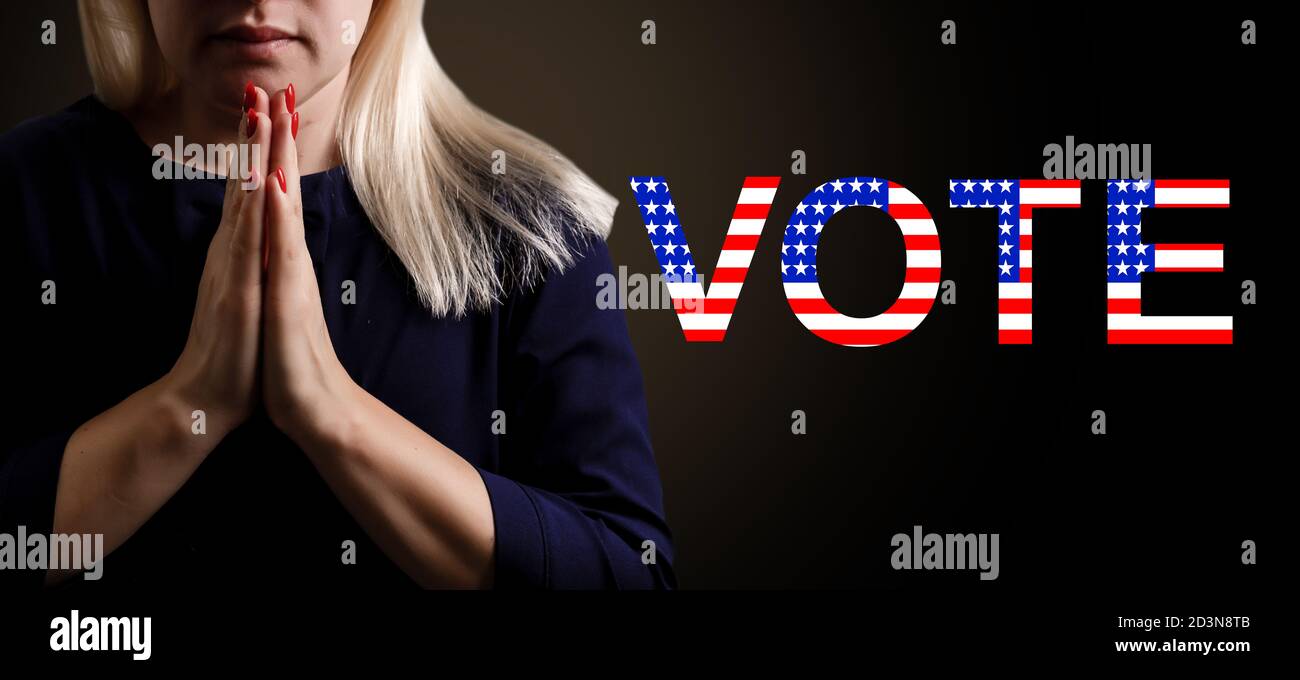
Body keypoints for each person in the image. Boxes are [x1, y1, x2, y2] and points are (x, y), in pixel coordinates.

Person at [0, 0, 675, 589]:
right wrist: (189, 406)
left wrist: (332, 411)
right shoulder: (20, 195)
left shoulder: (530, 227)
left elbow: (627, 570)